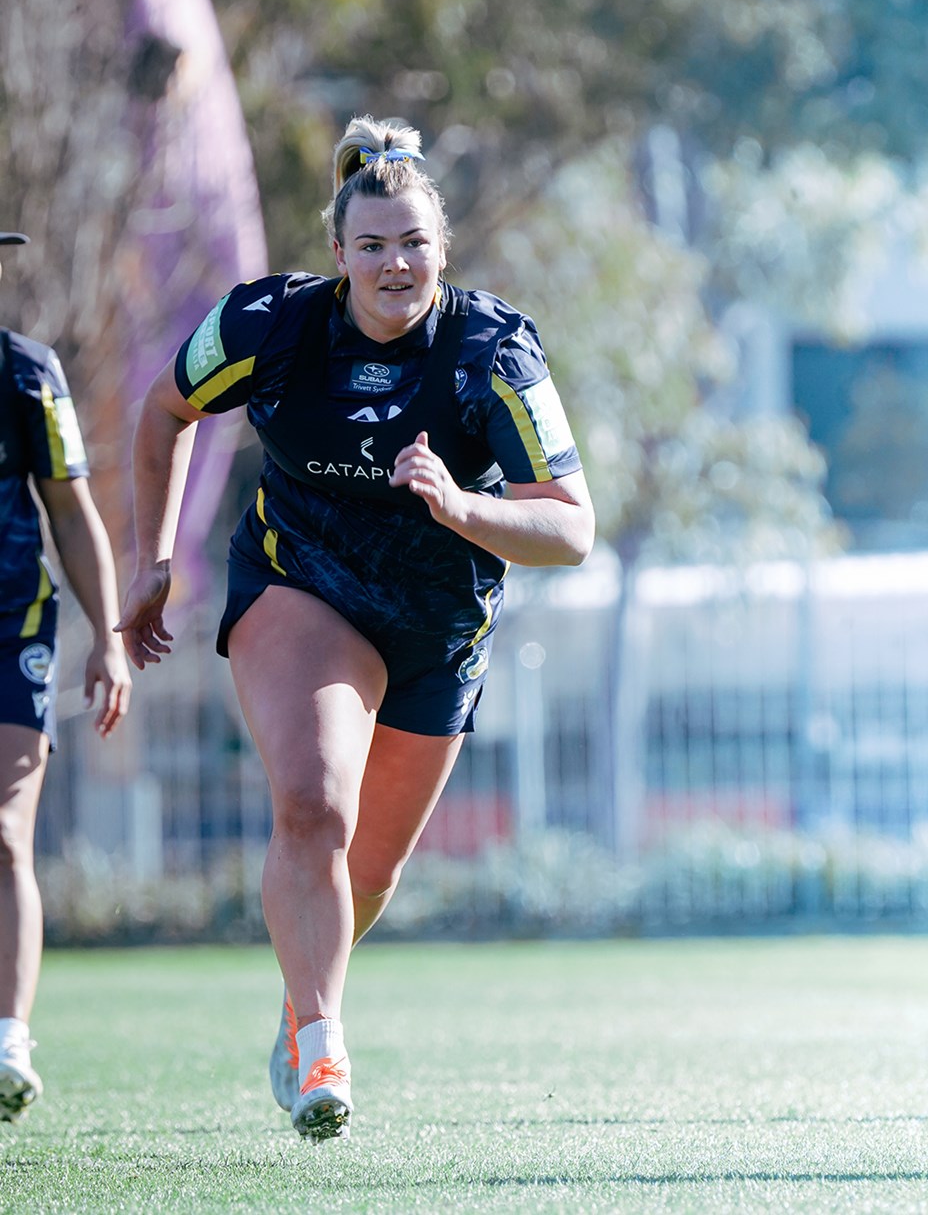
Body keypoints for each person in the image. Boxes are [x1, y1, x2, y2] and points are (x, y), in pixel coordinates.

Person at [115, 114, 595, 1142]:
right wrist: (153, 559)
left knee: (368, 871)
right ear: (336, 255)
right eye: (370, 245)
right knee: (311, 807)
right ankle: (325, 1041)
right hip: (304, 584)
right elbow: (162, 414)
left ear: (442, 249)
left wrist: (464, 510)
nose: (393, 264)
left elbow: (570, 527)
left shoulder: (491, 351)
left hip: (438, 622)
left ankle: (298, 1010)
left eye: (412, 243)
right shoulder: (267, 326)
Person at [0, 230, 131, 1123]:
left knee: (5, 830)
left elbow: (73, 513)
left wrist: (110, 638)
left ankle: (7, 1040)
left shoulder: (28, 374)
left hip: (14, 621)